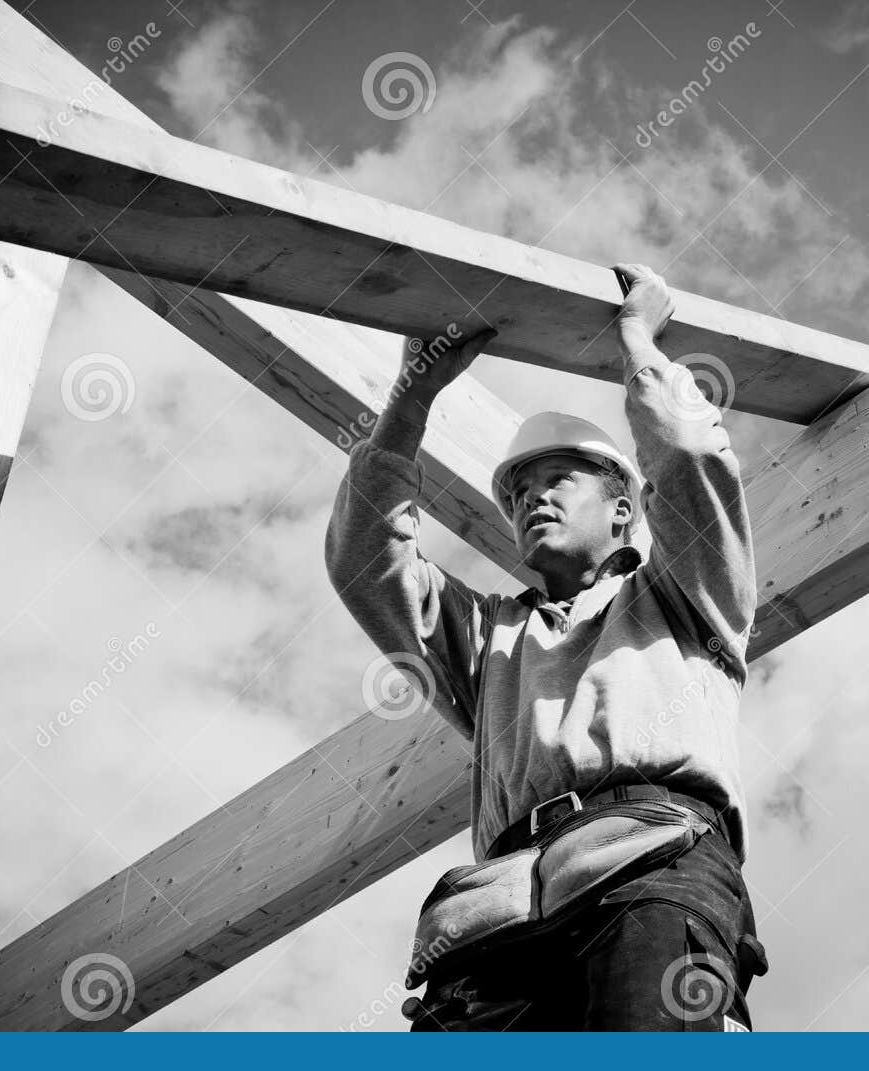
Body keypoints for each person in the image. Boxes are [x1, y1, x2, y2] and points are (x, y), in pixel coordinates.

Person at [325, 263, 766, 1030]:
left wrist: (638, 343)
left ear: (625, 509)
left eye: (560, 480)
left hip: (648, 863)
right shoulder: (490, 640)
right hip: (498, 915)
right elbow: (365, 560)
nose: (534, 499)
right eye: (520, 492)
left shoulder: (686, 597)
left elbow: (692, 464)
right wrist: (415, 393)